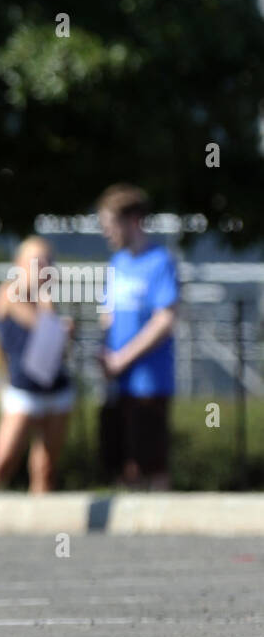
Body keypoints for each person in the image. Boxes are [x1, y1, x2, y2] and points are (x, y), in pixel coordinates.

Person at [0, 237, 75, 493]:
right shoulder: (10, 292)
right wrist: (58, 324)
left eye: (47, 262)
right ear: (19, 264)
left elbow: (59, 351)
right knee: (1, 462)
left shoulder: (47, 299)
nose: (43, 268)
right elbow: (43, 329)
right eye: (36, 262)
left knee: (46, 468)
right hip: (22, 389)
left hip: (54, 388)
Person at [96, 184, 179, 489]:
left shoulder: (160, 262)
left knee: (151, 462)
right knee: (121, 464)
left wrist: (123, 358)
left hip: (149, 383)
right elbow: (109, 314)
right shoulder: (117, 263)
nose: (107, 233)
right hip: (119, 382)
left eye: (111, 225)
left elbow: (165, 319)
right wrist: (104, 354)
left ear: (133, 221)